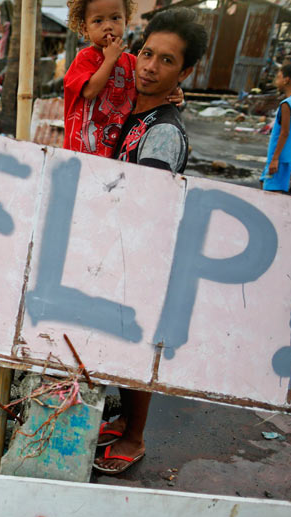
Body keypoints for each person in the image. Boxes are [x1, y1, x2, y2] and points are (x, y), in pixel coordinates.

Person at [94, 7, 208, 475]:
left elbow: (146, 207)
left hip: (140, 250)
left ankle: (136, 435)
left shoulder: (162, 131)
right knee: (117, 342)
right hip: (114, 242)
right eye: (146, 53)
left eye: (166, 61)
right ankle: (122, 421)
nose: (148, 66)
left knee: (135, 345)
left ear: (184, 72)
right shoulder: (137, 108)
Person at [63, 0, 182, 158]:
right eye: (98, 21)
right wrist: (109, 60)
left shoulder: (132, 62)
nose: (108, 26)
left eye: (115, 18)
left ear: (126, 21)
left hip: (115, 151)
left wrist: (175, 92)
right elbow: (89, 91)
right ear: (85, 28)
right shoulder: (85, 59)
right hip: (80, 151)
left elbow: (148, 90)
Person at [260, 63, 291, 194]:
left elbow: (284, 133)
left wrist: (275, 159)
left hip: (281, 155)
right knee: (264, 181)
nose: (276, 80)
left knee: (273, 191)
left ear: (287, 80)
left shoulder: (287, 104)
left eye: (278, 77)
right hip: (290, 152)